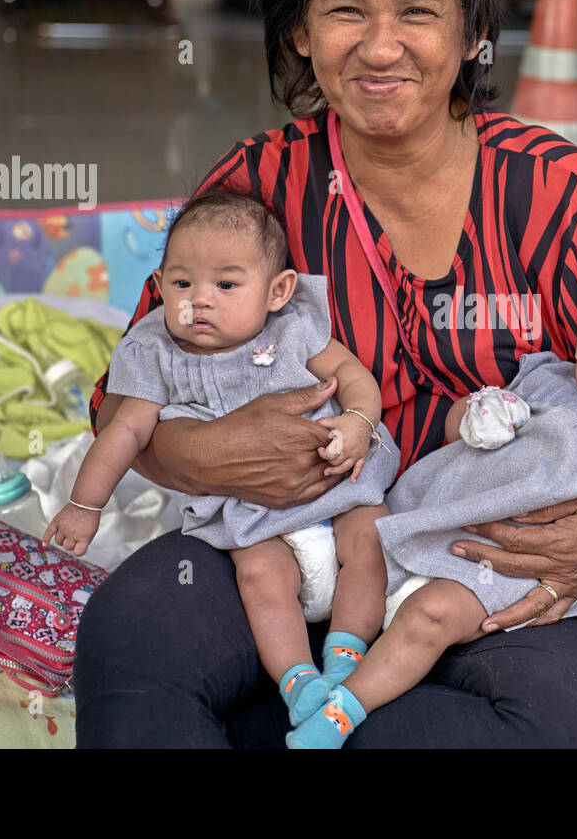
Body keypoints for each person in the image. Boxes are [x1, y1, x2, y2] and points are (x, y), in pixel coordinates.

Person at [74, 0, 577, 748]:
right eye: (346, 10)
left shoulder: (563, 197)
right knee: (136, 634)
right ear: (302, 35)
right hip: (280, 540)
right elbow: (123, 392)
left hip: (475, 566)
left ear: (469, 34)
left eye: (418, 11)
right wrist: (201, 452)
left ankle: (310, 720)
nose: (382, 48)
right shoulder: (258, 185)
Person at [288, 269, 577, 747]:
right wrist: (478, 413)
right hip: (419, 517)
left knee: (428, 617)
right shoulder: (545, 377)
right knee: (350, 546)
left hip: (498, 570)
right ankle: (335, 661)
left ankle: (342, 711)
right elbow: (457, 428)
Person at [44, 191, 398, 726]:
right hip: (253, 513)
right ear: (160, 286)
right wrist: (84, 506)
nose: (199, 301)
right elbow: (124, 431)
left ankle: (346, 656)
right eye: (183, 284)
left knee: (372, 537)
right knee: (260, 575)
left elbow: (353, 378)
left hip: (338, 487)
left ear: (277, 291)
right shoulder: (154, 350)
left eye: (226, 285)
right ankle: (299, 681)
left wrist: (358, 421)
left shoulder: (295, 328)